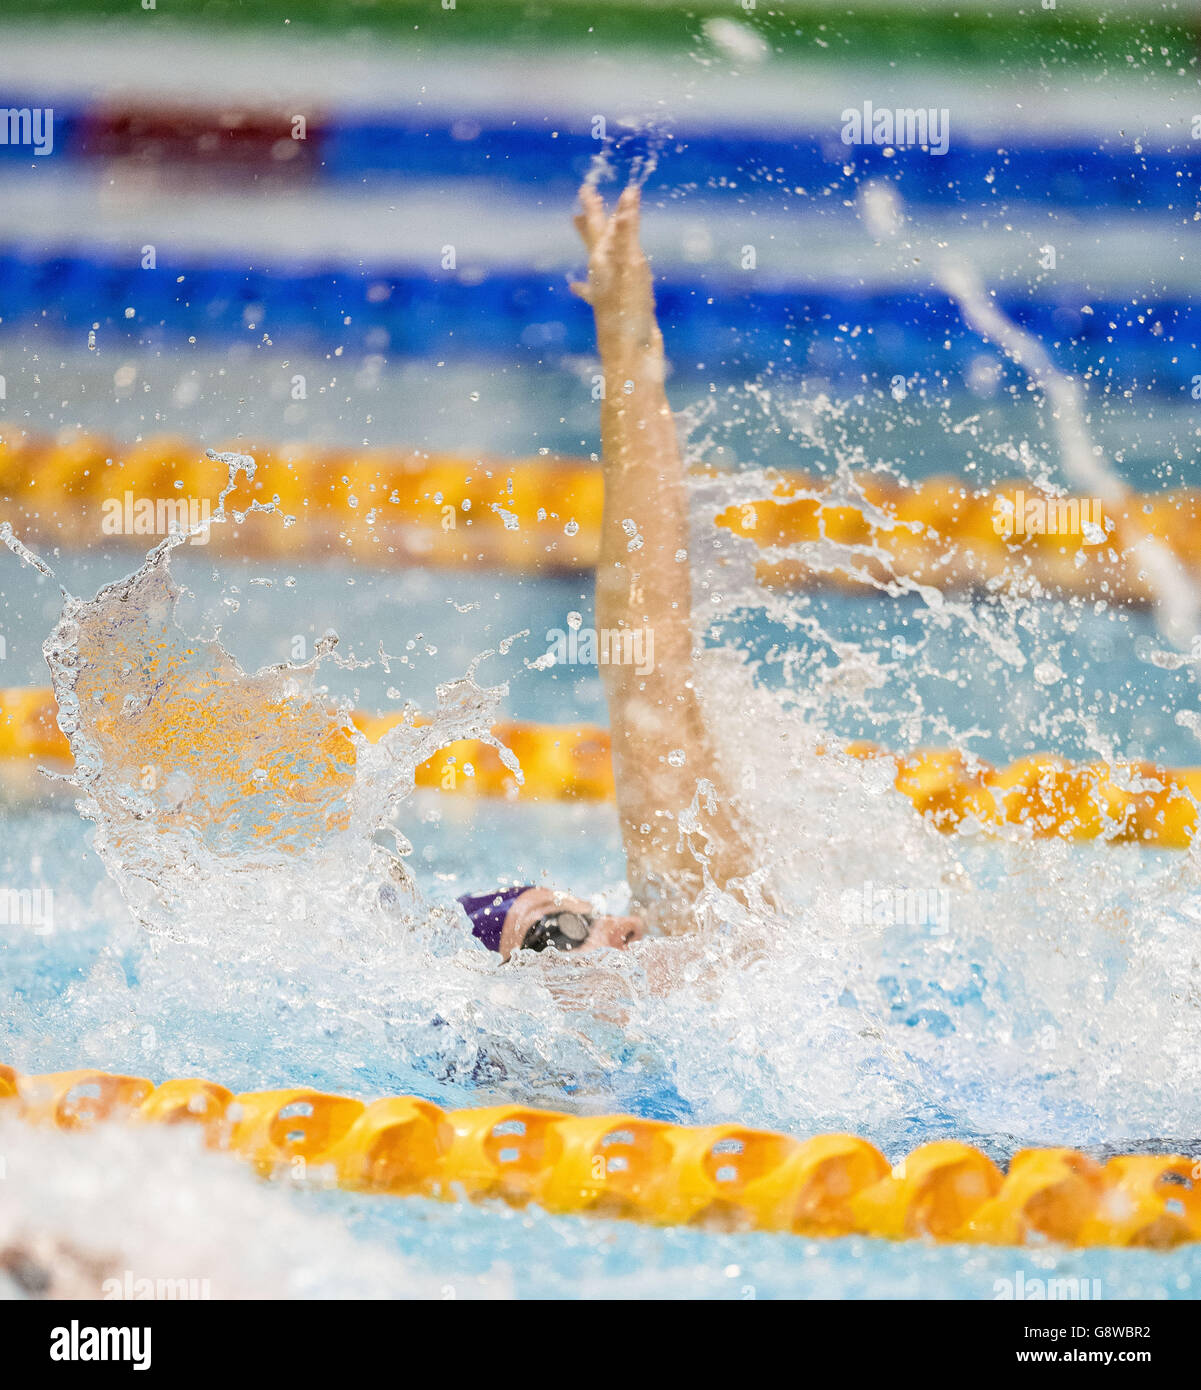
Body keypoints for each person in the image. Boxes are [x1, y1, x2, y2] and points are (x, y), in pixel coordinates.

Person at [460, 185, 759, 962]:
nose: (617, 923)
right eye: (559, 932)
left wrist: (630, 357)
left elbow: (650, 663)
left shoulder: (709, 961)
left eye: (583, 910)